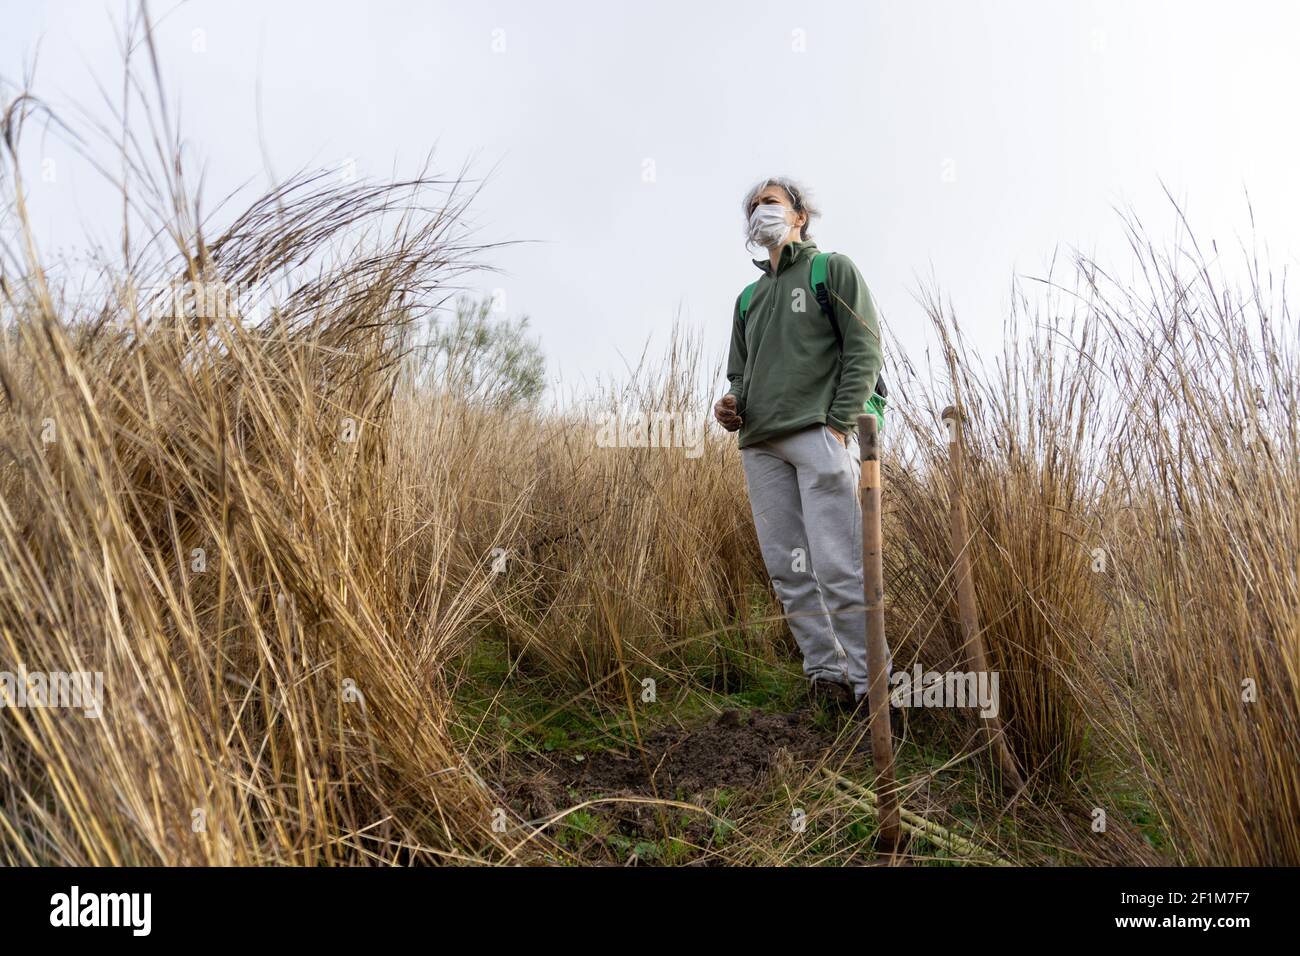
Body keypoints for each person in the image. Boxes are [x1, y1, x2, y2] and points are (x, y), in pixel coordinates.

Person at [714, 176, 889, 712]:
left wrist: (838, 424)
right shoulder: (746, 298)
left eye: (770, 203)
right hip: (760, 445)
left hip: (819, 435)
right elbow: (740, 375)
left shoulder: (830, 269)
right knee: (788, 570)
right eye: (752, 207)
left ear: (799, 215)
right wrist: (730, 404)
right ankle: (826, 679)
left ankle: (872, 691)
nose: (758, 212)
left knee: (839, 567)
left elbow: (866, 348)